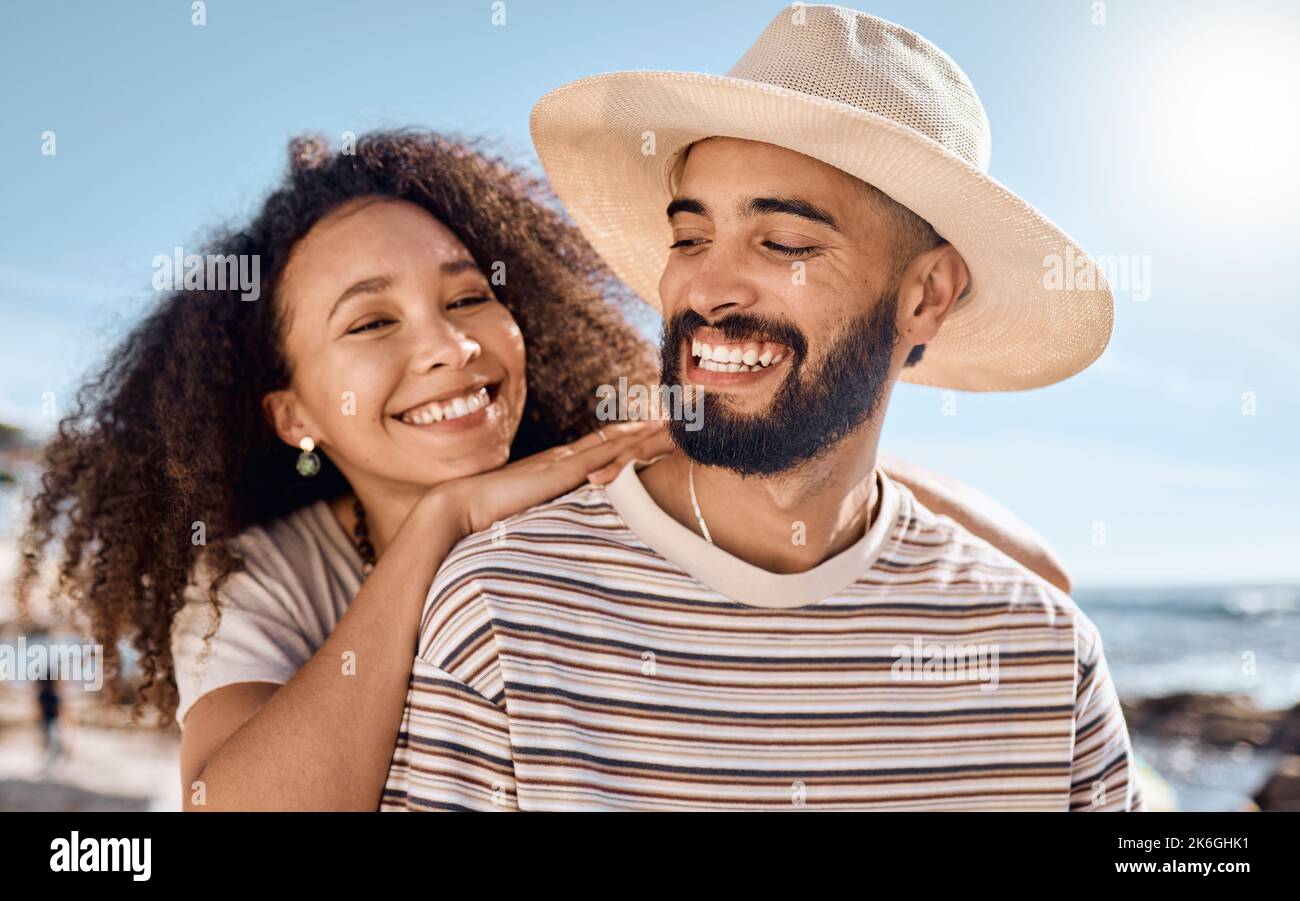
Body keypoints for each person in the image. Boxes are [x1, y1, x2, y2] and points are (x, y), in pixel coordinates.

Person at [13, 129, 1069, 811]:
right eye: (372, 322)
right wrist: (438, 527)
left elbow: (1039, 582)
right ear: (291, 412)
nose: (446, 347)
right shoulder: (259, 578)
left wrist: (832, 467)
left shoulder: (604, 474)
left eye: (470, 298)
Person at [381, 5, 1142, 811]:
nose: (704, 289)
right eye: (689, 236)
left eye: (784, 243)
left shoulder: (1045, 653)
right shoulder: (502, 608)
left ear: (926, 295)